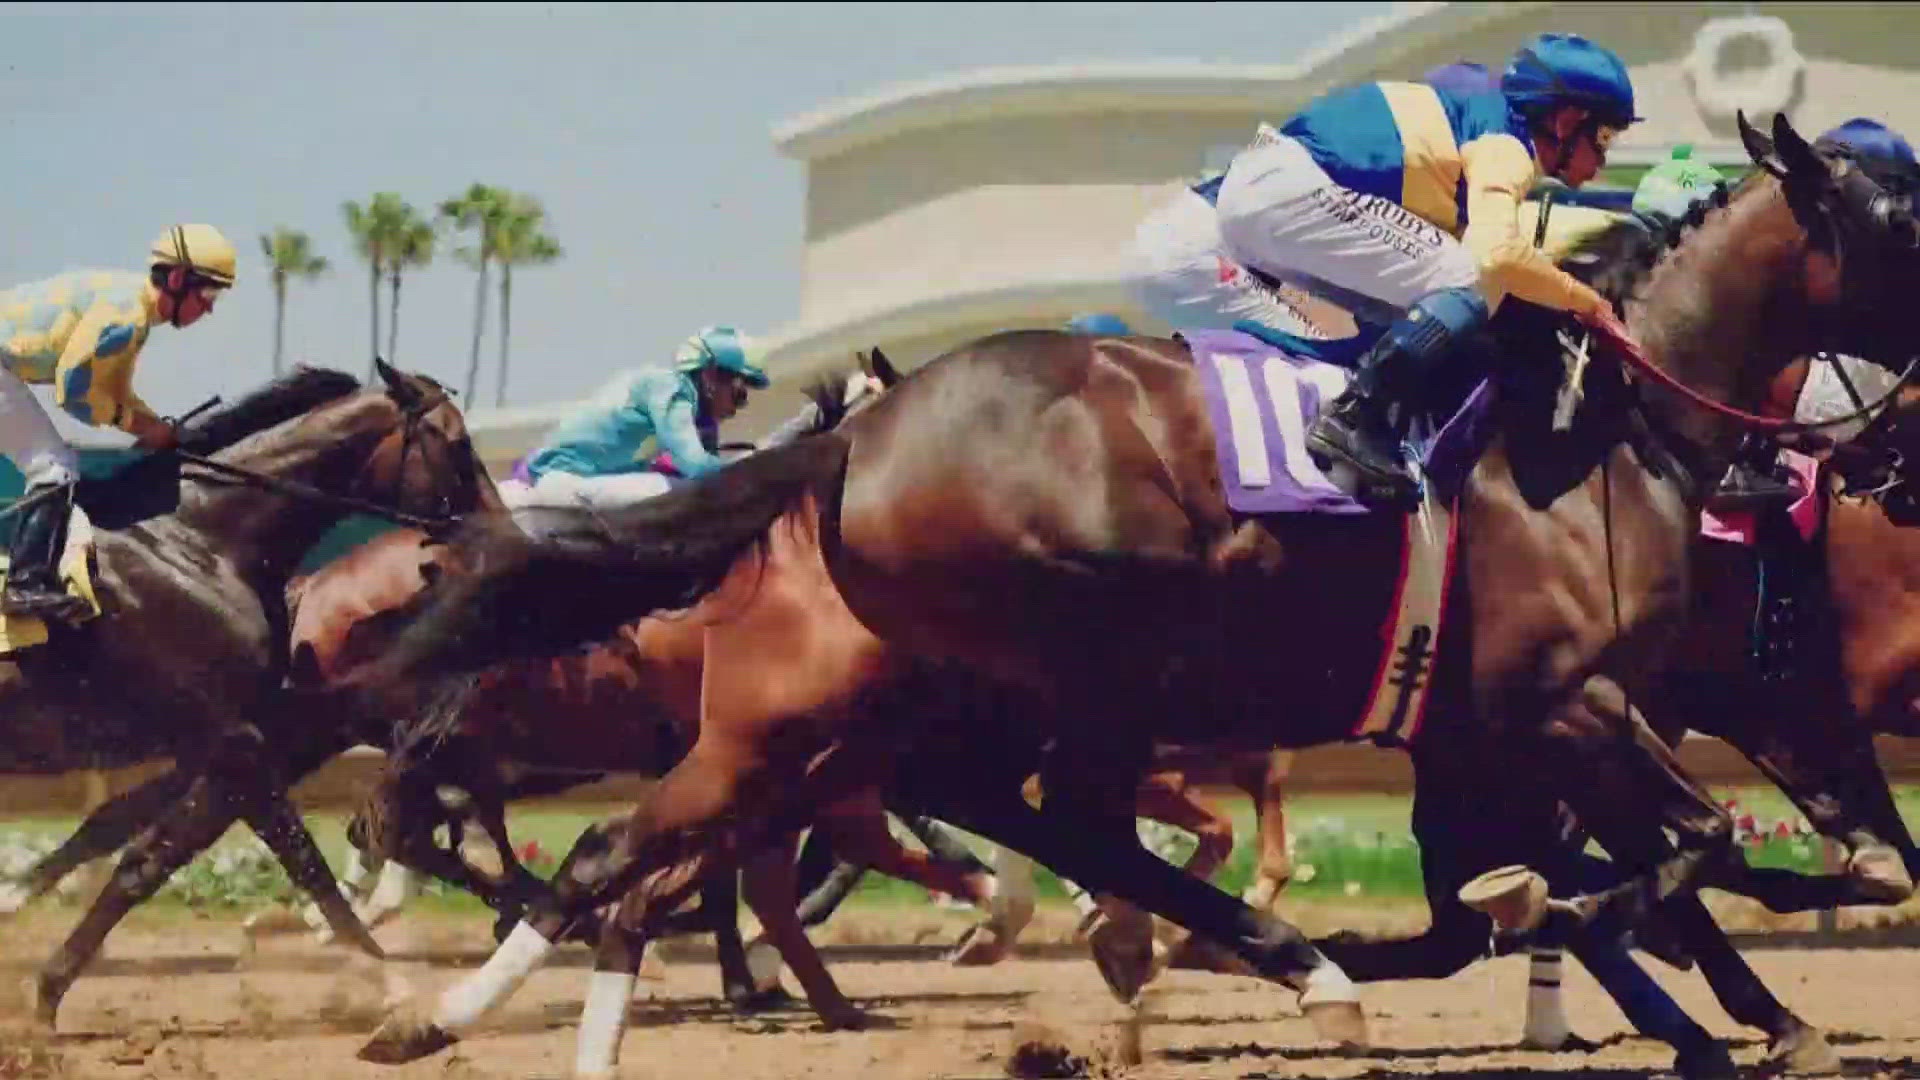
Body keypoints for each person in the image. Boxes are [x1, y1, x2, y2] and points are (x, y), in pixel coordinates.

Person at [1212, 33, 1641, 505]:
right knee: (1473, 278)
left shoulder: (1478, 126)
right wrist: (1589, 303)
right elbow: (1497, 255)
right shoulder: (1508, 147)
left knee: (1425, 305)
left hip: (1261, 196)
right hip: (1286, 194)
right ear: (1564, 121)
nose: (1602, 161)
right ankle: (1355, 418)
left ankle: (1353, 405)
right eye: (1602, 138)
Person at [0, 224, 236, 620]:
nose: (209, 307)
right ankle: (26, 585)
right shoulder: (124, 319)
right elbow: (73, 393)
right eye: (208, 293)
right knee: (55, 468)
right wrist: (144, 428)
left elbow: (115, 390)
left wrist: (153, 426)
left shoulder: (132, 310)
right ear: (177, 279)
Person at [507, 325, 768, 514]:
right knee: (677, 491)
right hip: (560, 483)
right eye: (739, 394)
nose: (738, 408)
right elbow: (697, 468)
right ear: (711, 376)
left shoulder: (686, 406)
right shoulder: (670, 390)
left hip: (569, 482)